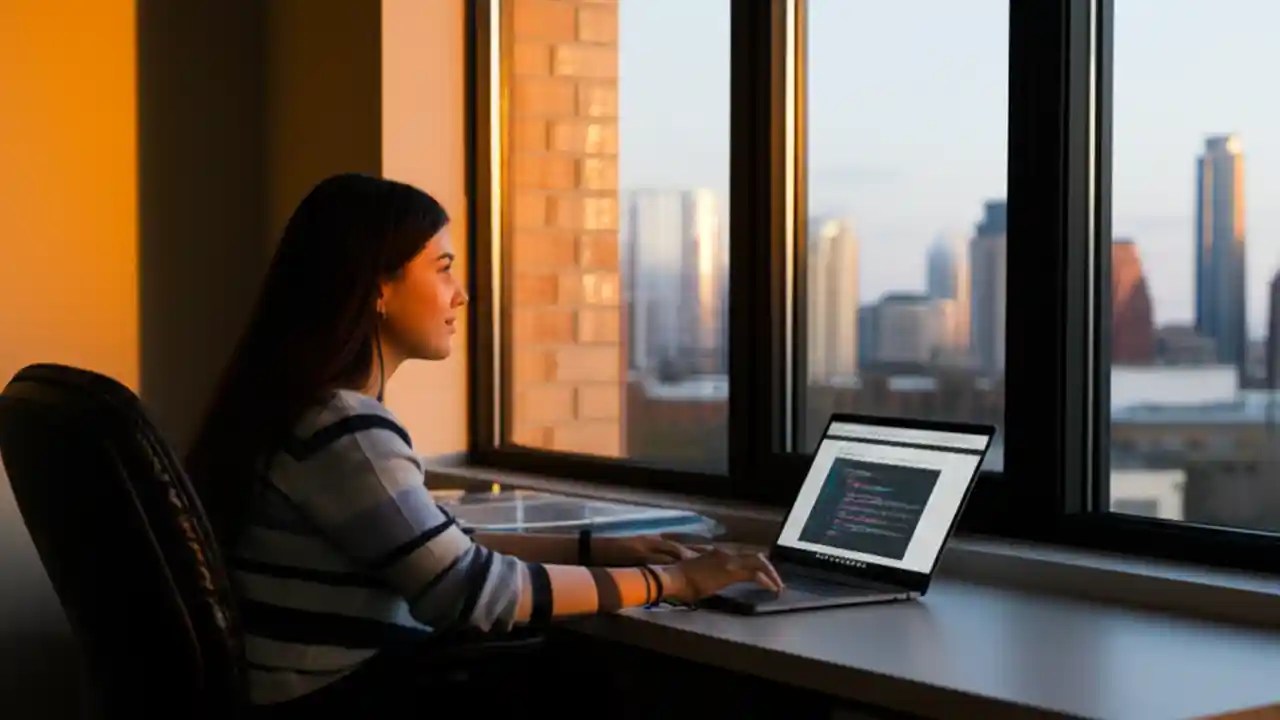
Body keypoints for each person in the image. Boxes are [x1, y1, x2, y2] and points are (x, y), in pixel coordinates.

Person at [185, 173, 783, 714]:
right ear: (378, 289)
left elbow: (437, 547)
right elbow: (467, 590)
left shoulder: (297, 409)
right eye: (442, 268)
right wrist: (675, 583)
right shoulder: (346, 428)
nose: (460, 294)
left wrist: (604, 549)